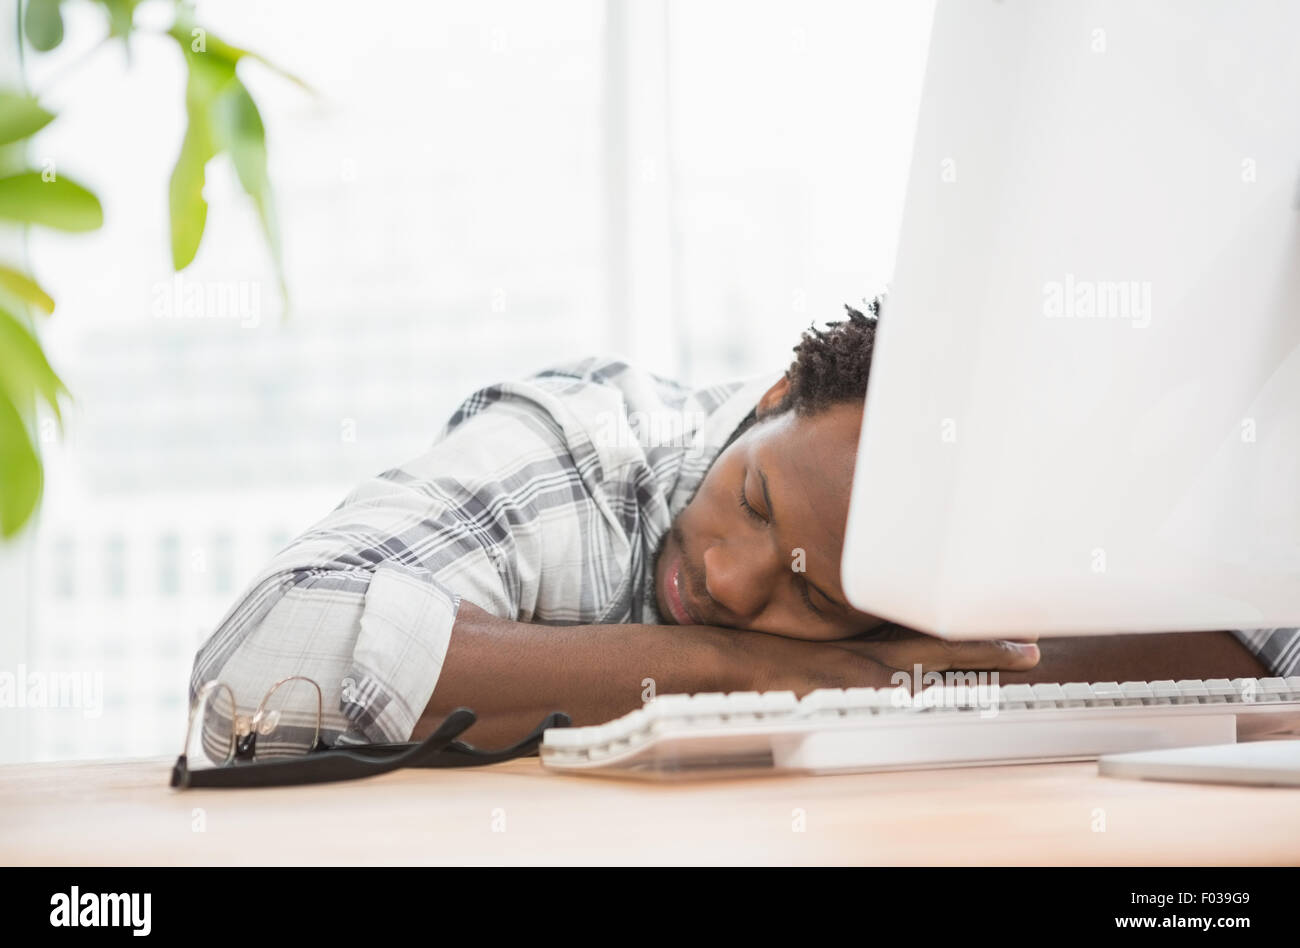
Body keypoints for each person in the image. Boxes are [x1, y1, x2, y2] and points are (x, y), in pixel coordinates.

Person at [190, 299, 1278, 749]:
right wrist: (750, 666)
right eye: (755, 499)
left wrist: (943, 672)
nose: (725, 568)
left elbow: (1276, 651)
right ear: (772, 397)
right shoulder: (580, 451)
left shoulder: (945, 584)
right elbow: (258, 656)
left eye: (810, 596)